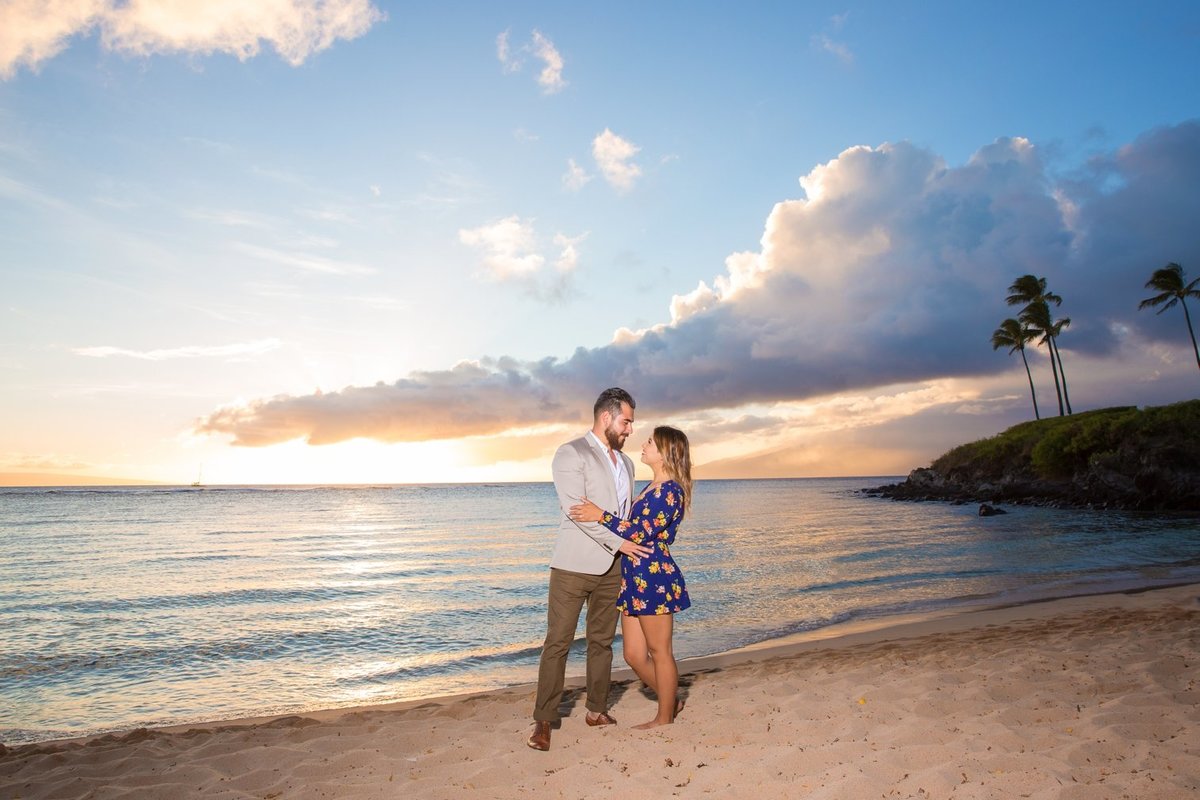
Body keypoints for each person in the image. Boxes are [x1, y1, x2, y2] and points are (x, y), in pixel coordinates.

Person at [527, 388, 653, 752]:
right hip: (572, 566)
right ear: (606, 417)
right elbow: (576, 512)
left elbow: (622, 515)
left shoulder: (627, 464)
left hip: (614, 568)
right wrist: (620, 543)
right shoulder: (571, 453)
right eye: (626, 421)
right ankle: (544, 720)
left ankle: (597, 710)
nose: (630, 429)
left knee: (602, 642)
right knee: (558, 642)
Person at [568, 425, 692, 729]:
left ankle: (664, 717)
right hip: (634, 575)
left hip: (654, 576)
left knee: (659, 652)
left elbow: (639, 532)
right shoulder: (651, 487)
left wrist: (600, 515)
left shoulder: (670, 491)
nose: (644, 445)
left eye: (650, 442)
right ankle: (671, 701)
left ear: (665, 452)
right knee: (634, 655)